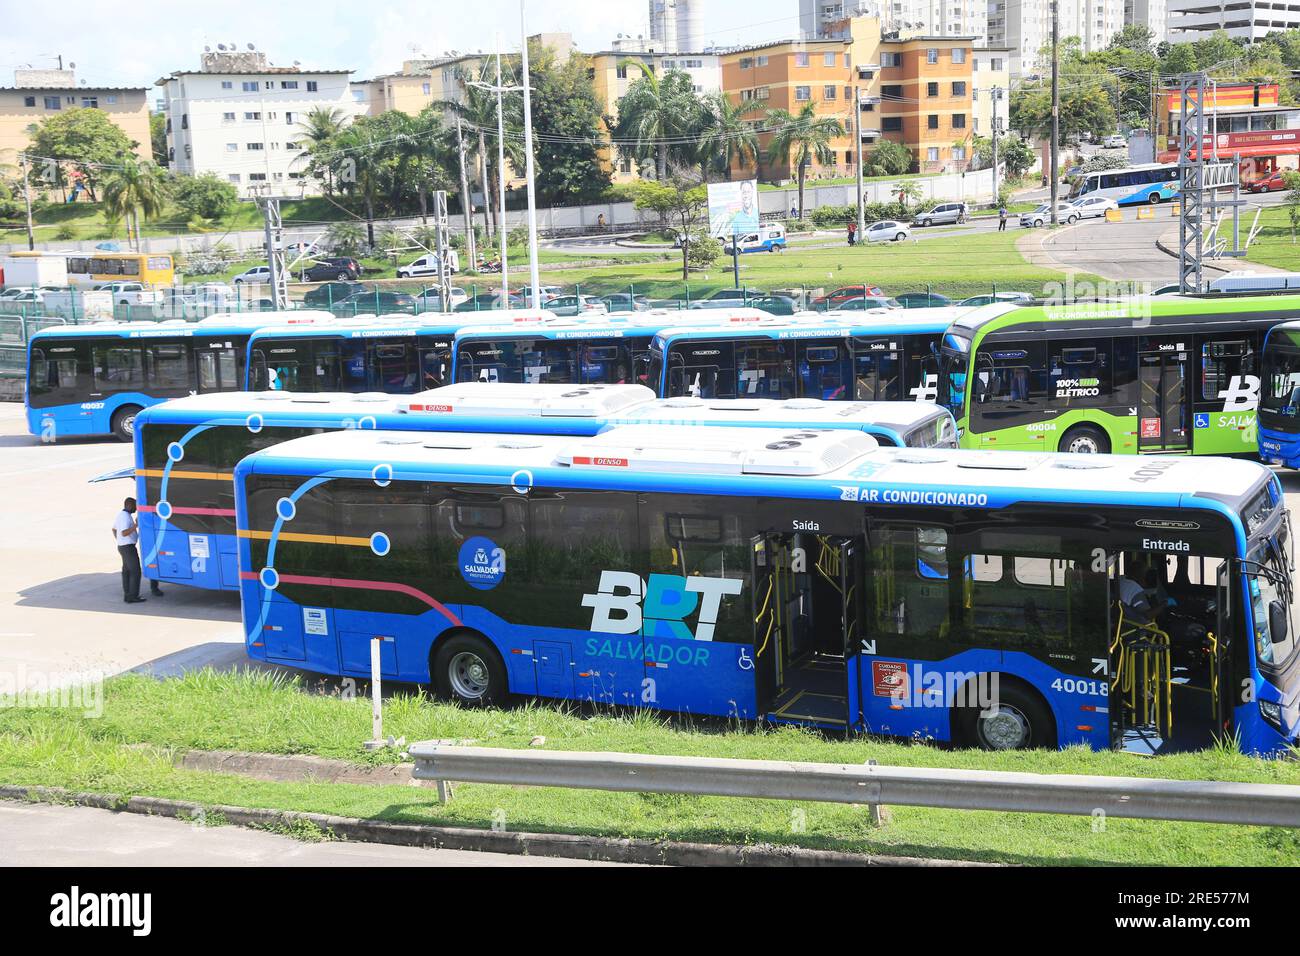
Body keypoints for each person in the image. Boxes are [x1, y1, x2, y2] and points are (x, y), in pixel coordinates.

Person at [113, 497, 162, 604]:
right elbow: (124, 532)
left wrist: (119, 541)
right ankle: (133, 596)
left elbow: (114, 529)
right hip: (128, 547)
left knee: (126, 572)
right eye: (135, 506)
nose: (136, 508)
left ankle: (128, 595)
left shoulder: (120, 515)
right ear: (129, 505)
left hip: (122, 547)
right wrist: (136, 525)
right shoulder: (125, 517)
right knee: (135, 572)